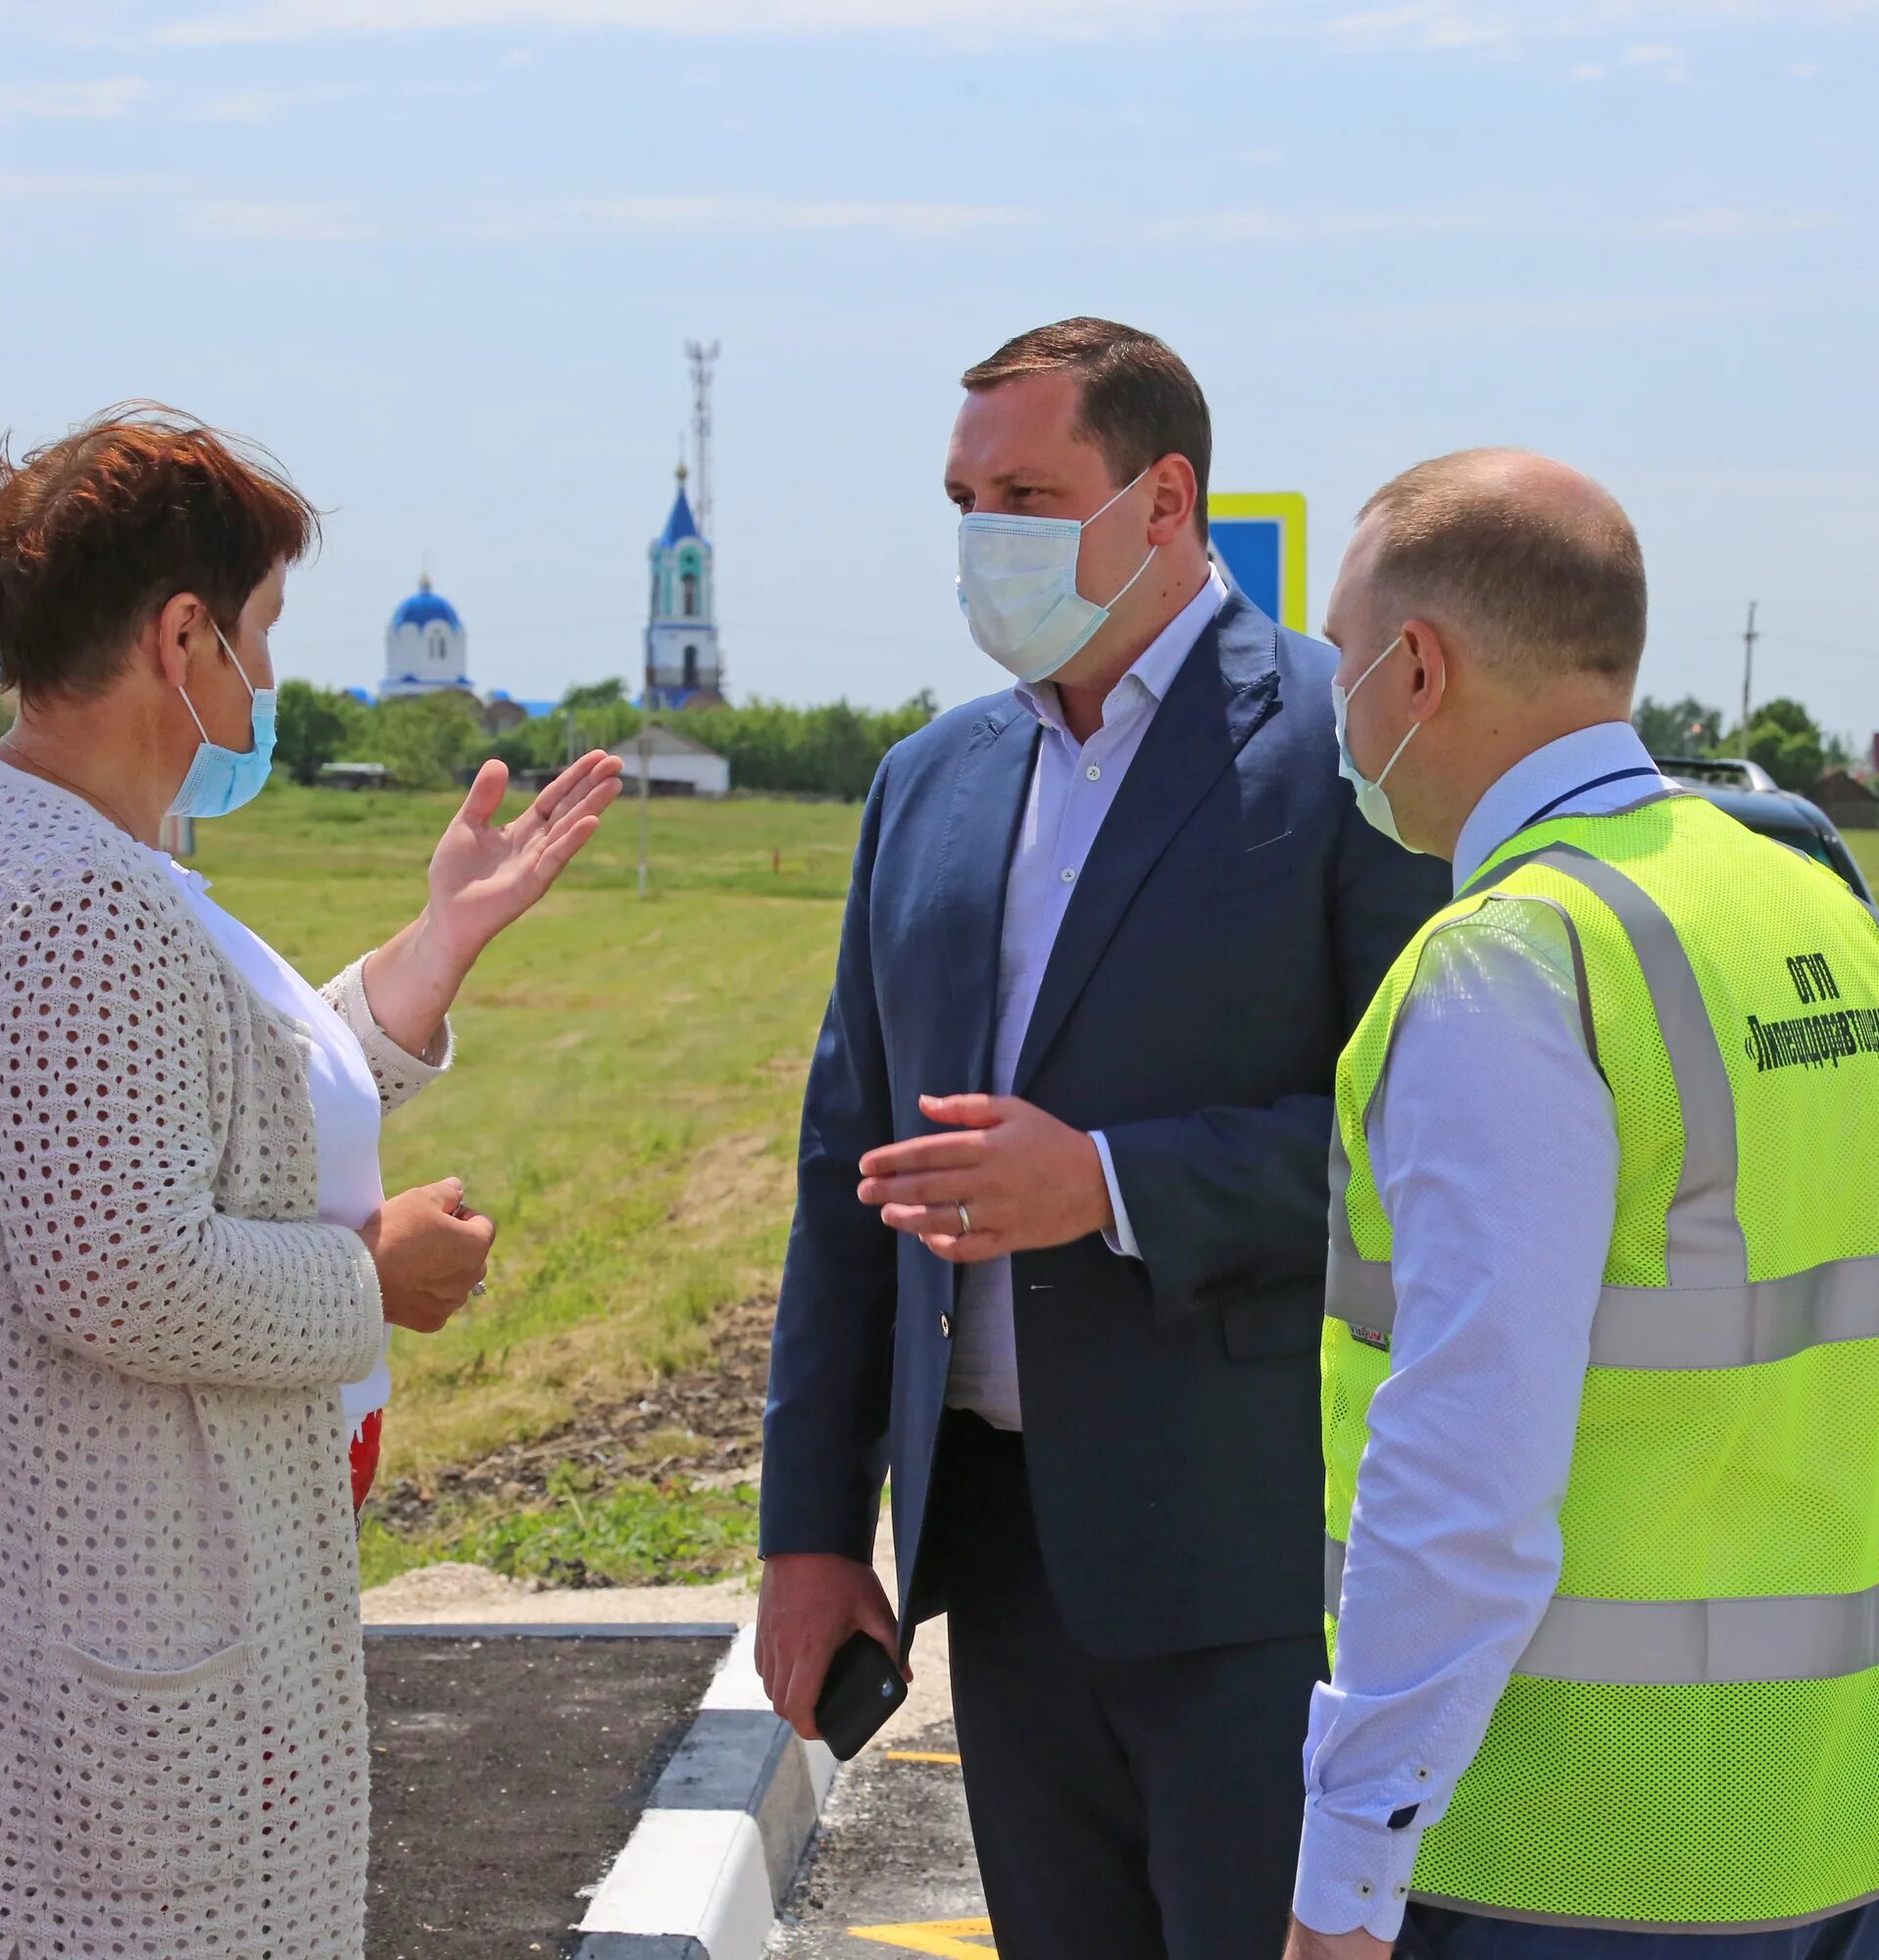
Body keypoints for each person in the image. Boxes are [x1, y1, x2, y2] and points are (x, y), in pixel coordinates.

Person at [0, 406, 621, 1959]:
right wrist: (374, 1276)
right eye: (257, 635)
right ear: (178, 635)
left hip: (59, 1626)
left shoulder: (5, 830)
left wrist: (435, 945)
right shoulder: (81, 904)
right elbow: (124, 1269)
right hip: (116, 1660)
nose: (262, 684)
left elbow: (204, 1107)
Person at [757, 318, 1446, 1958]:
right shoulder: (928, 780)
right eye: (962, 497)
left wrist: (1115, 1187)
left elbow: (1423, 1151)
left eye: (1028, 491)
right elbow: (844, 1178)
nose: (986, 536)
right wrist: (806, 1534)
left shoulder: (1342, 752)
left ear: (1163, 500)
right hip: (998, 1556)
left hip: (1257, 1569)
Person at [1286, 449, 1879, 1960]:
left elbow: (1465, 1473)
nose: (1338, 702)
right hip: (1827, 1829)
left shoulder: (1517, 965)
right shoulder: (1821, 920)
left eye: (1342, 657)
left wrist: (1346, 1872)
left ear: (1419, 668)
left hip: (1564, 1853)